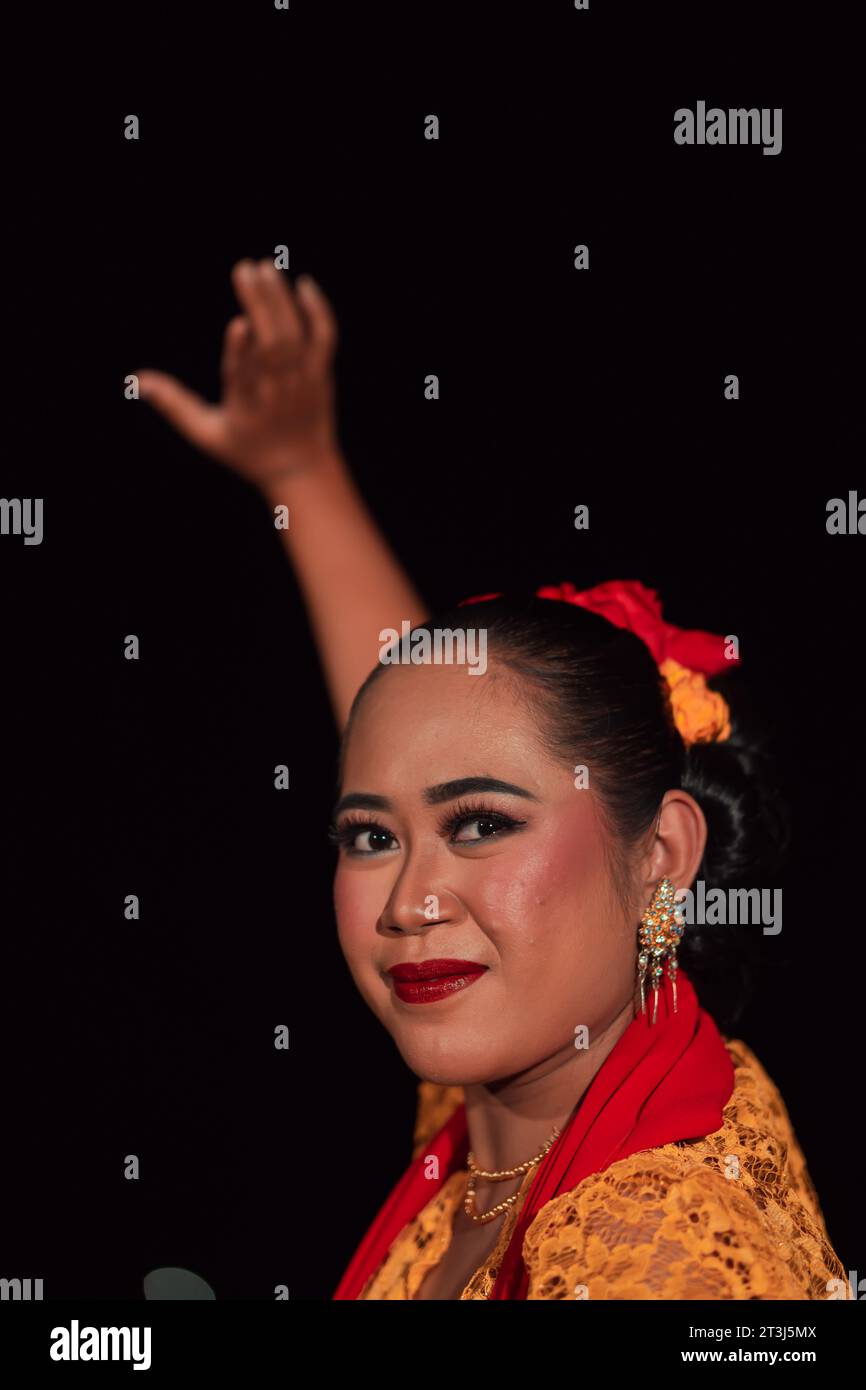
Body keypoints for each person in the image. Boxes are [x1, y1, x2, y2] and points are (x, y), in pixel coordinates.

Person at [137, 260, 851, 1301]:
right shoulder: (531, 1089)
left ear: (658, 855)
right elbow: (402, 732)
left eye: (478, 824)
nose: (408, 902)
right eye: (369, 837)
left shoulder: (658, 1257)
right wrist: (302, 473)